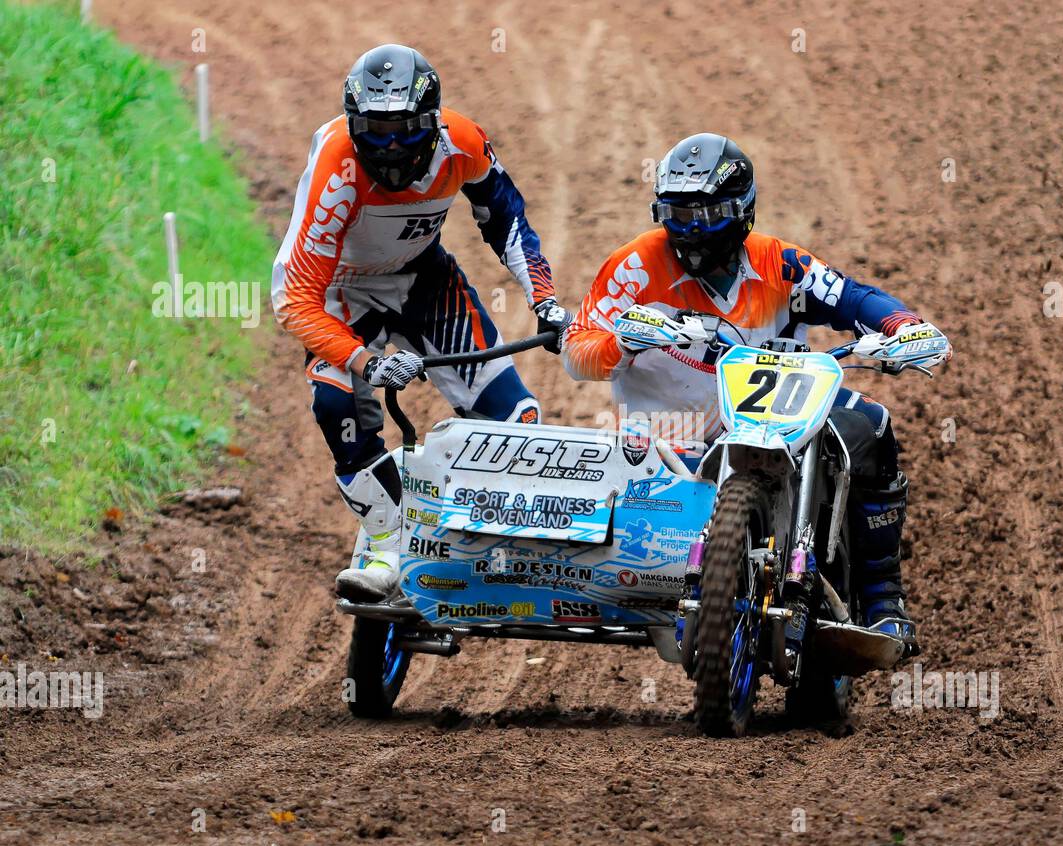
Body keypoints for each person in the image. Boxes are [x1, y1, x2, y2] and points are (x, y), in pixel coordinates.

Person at [562, 133, 951, 638]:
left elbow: (853, 299)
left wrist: (903, 325)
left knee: (872, 426)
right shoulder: (634, 266)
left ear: (742, 211)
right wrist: (622, 343)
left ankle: (883, 597)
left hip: (774, 416)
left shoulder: (779, 262)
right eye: (676, 215)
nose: (691, 230)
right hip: (669, 432)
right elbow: (576, 354)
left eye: (705, 214)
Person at [271, 44, 570, 601]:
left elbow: (506, 221)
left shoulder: (464, 141)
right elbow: (294, 300)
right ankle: (388, 544)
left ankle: (493, 536)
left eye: (405, 129)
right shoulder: (337, 167)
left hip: (425, 279)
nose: (389, 146)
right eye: (374, 129)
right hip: (340, 290)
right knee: (337, 408)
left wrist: (546, 300)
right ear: (352, 123)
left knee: (513, 417)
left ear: (432, 122)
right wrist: (366, 362)